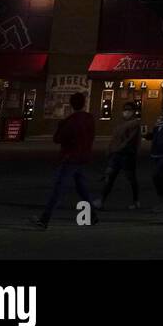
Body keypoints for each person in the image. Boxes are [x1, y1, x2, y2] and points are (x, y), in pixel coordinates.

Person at [32, 91, 98, 229]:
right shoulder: (89, 119)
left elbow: (58, 139)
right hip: (83, 156)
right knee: (81, 187)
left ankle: (45, 218)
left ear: (71, 104)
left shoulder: (71, 121)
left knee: (59, 188)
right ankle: (93, 215)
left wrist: (60, 126)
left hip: (70, 157)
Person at [100, 101, 143, 210]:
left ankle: (136, 201)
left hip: (127, 155)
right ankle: (101, 200)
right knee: (110, 177)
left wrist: (116, 149)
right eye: (125, 109)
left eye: (129, 109)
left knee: (130, 178)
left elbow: (129, 141)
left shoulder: (134, 124)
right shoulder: (121, 124)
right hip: (117, 155)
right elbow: (114, 139)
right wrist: (110, 149)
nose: (126, 112)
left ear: (133, 111)